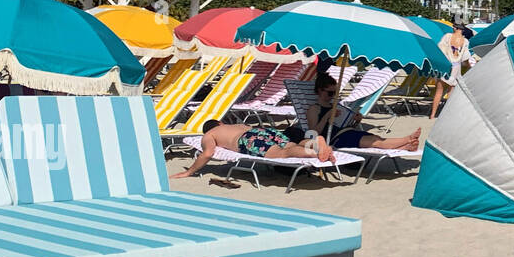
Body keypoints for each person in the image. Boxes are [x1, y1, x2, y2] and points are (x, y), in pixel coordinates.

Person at [173, 120, 334, 178]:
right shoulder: (234, 125)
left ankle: (315, 151)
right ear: (221, 123)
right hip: (261, 130)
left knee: (281, 153)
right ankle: (315, 142)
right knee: (291, 145)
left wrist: (189, 171)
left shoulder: (209, 135)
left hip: (249, 140)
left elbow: (208, 153)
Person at [308, 73, 421, 152]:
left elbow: (344, 125)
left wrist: (356, 120)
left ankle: (405, 147)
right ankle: (408, 139)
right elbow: (313, 133)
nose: (332, 96)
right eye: (330, 93)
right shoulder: (314, 109)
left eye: (335, 93)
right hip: (335, 139)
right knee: (375, 142)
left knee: (376, 138)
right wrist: (327, 115)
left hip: (347, 132)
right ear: (320, 90)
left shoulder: (335, 106)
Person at [430, 24, 473, 119]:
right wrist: (469, 67)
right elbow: (465, 59)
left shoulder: (448, 36)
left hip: (446, 66)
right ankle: (447, 115)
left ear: (455, 28)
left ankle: (432, 114)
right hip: (456, 68)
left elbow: (440, 50)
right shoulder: (465, 41)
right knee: (450, 93)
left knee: (439, 91)